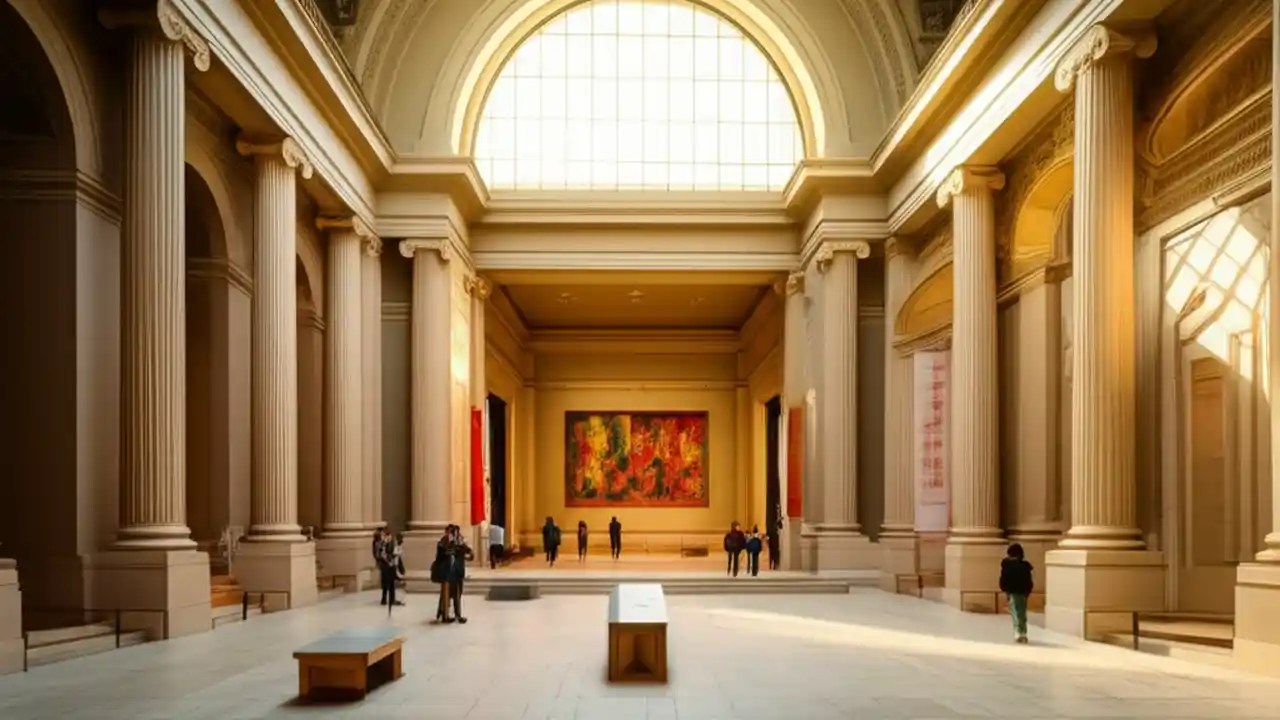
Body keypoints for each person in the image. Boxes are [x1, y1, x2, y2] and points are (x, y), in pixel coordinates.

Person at [999, 542, 1034, 644]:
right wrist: (1028, 590)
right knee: (1022, 612)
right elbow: (1029, 580)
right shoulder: (1025, 566)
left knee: (1015, 611)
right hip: (1023, 591)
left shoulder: (1007, 566)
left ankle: (1018, 631)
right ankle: (1023, 631)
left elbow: (1004, 579)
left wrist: (1005, 589)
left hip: (1012, 591)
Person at [447, 525, 474, 624]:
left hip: (459, 572)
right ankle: (450, 614)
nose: (458, 535)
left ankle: (456, 614)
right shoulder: (449, 543)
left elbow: (470, 554)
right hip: (451, 572)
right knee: (452, 594)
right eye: (456, 533)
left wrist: (469, 553)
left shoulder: (461, 544)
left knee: (457, 594)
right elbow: (448, 553)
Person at [432, 526, 454, 623]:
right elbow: (443, 554)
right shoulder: (444, 541)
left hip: (446, 571)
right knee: (445, 594)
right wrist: (451, 550)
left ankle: (441, 612)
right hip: (444, 571)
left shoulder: (445, 541)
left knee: (445, 594)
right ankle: (445, 616)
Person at [378, 527, 403, 607]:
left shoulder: (392, 543)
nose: (383, 537)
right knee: (385, 583)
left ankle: (392, 599)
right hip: (385, 565)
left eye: (384, 535)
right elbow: (382, 554)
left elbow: (394, 553)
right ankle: (384, 599)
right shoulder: (383, 543)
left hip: (390, 565)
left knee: (391, 584)